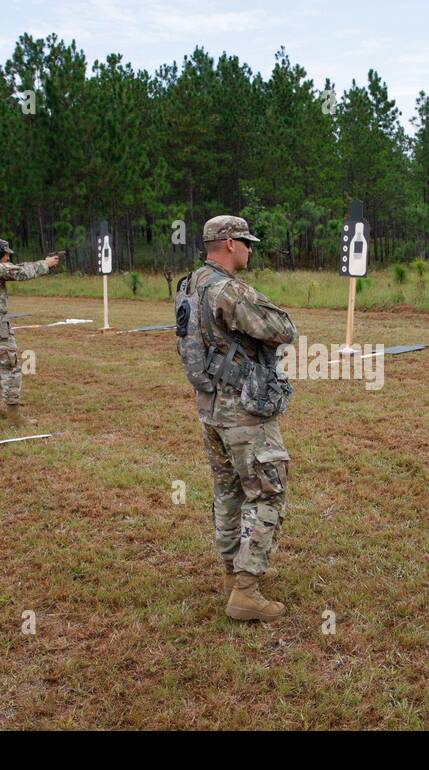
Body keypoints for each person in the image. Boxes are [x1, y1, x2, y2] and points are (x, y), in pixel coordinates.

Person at [175, 215, 296, 622]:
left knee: (227, 491)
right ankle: (246, 589)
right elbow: (282, 328)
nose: (249, 249)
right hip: (242, 409)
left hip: (210, 407)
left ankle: (232, 574)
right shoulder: (228, 290)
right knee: (268, 491)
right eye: (245, 241)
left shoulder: (190, 285)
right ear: (228, 244)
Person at [0, 239, 60, 423]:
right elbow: (19, 272)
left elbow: (13, 267)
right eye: (6, 254)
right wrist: (46, 264)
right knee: (10, 367)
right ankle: (14, 416)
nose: (8, 257)